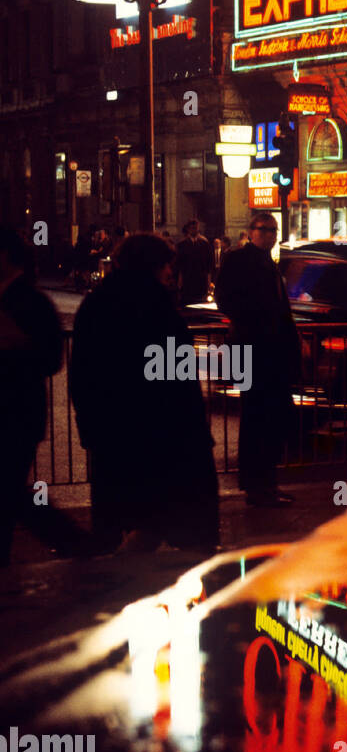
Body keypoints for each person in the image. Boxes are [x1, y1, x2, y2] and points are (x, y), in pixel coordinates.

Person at [70, 233, 219, 553]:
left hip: (113, 426)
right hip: (160, 429)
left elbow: (83, 369)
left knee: (127, 514)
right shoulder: (155, 304)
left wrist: (89, 420)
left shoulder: (97, 301)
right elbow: (174, 373)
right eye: (166, 264)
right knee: (169, 515)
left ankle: (118, 570)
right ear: (152, 265)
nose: (171, 271)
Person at [214, 214, 301, 507]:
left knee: (267, 419)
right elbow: (226, 299)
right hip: (255, 348)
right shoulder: (240, 260)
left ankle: (265, 483)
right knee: (257, 418)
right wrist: (253, 321)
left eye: (273, 230)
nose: (270, 235)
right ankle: (258, 486)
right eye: (264, 230)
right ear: (251, 232)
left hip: (268, 349)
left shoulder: (267, 263)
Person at [0, 226, 66, 564]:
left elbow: (51, 357)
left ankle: (69, 540)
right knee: (10, 490)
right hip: (14, 409)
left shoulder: (30, 301)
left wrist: (14, 346)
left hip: (16, 410)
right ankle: (69, 540)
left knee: (9, 488)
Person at [174, 219, 214, 310]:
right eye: (192, 228)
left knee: (201, 305)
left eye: (195, 228)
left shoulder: (204, 243)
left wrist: (209, 281)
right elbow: (179, 265)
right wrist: (180, 281)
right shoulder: (182, 244)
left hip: (201, 279)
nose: (194, 230)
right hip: (187, 279)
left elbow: (209, 264)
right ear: (188, 229)